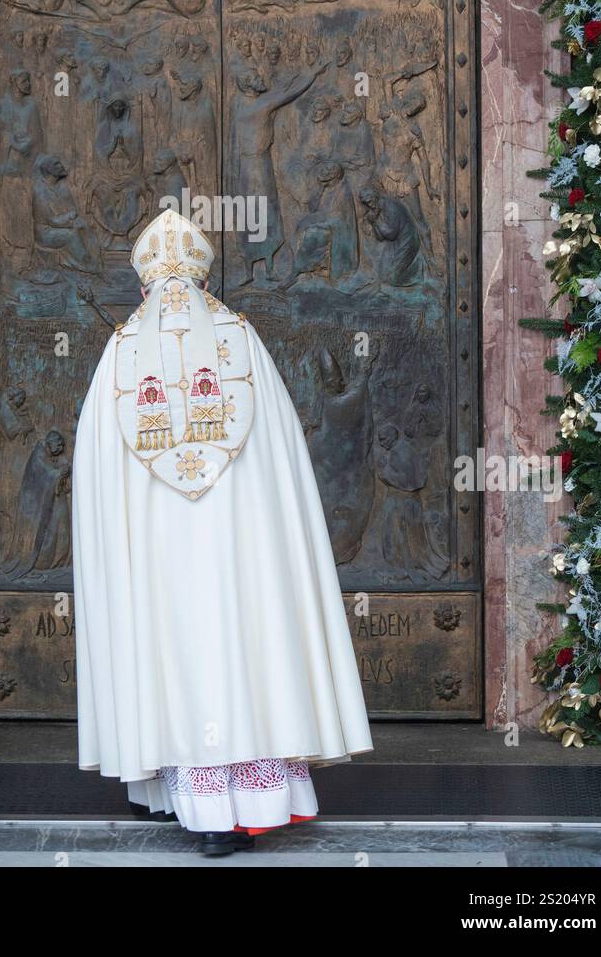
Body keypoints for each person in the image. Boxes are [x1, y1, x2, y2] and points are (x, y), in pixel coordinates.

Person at [72, 207, 373, 858]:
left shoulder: (120, 350)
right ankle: (252, 800)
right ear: (204, 279)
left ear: (145, 283)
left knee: (167, 652)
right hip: (243, 556)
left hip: (156, 559)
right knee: (246, 647)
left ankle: (191, 803)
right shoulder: (243, 340)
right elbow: (281, 468)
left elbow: (98, 483)